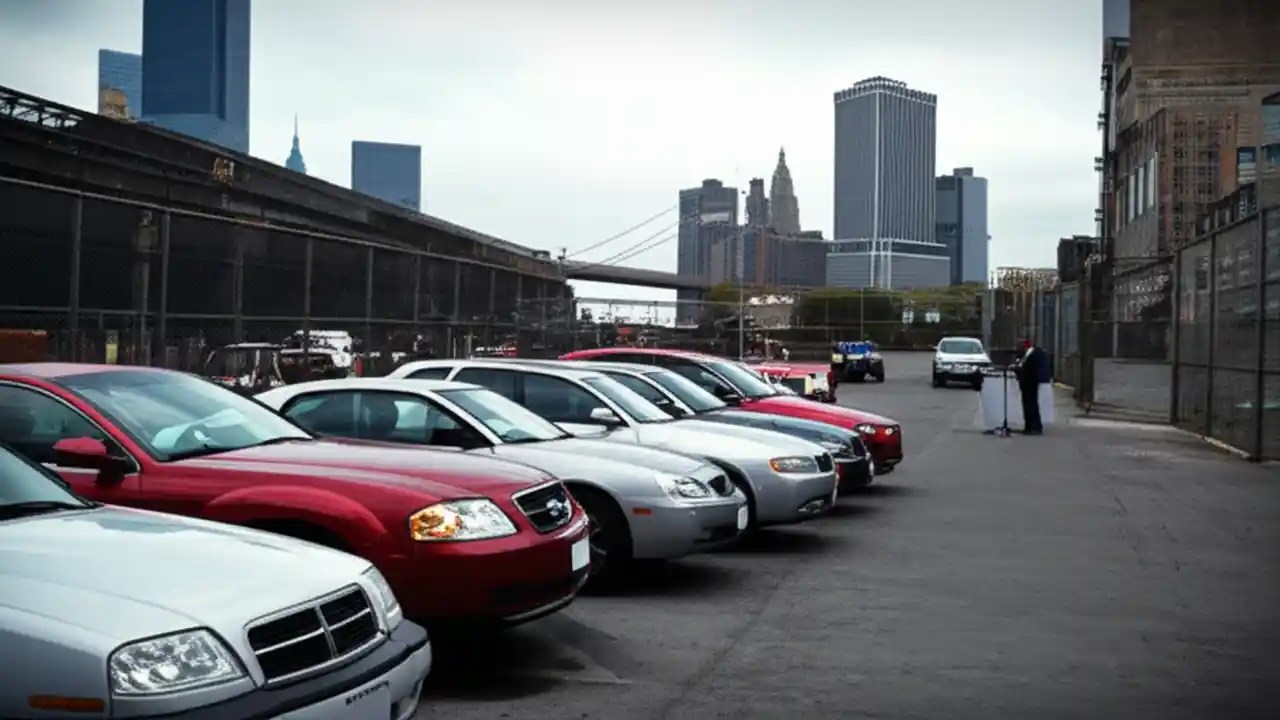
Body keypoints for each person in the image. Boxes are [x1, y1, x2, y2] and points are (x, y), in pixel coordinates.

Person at [1015, 339, 1050, 435]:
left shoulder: (1036, 355)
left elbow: (1037, 369)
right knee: (1027, 405)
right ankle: (1029, 426)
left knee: (1032, 405)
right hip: (1026, 384)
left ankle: (1035, 427)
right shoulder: (1024, 356)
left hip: (1032, 383)